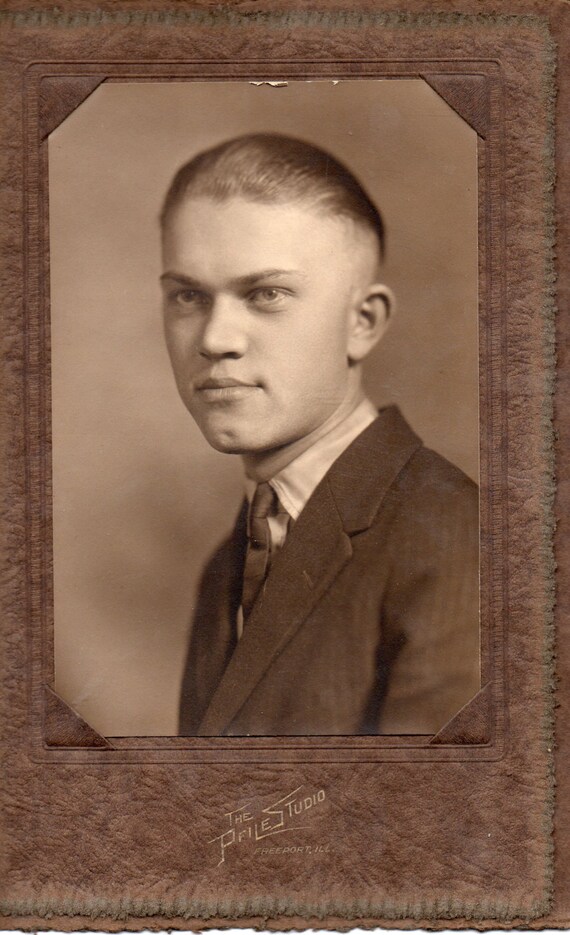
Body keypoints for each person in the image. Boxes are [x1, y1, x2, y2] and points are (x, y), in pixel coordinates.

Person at [159, 132, 480, 737]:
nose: (214, 338)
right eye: (188, 296)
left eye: (266, 294)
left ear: (363, 323)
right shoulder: (228, 562)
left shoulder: (456, 537)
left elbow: (436, 822)